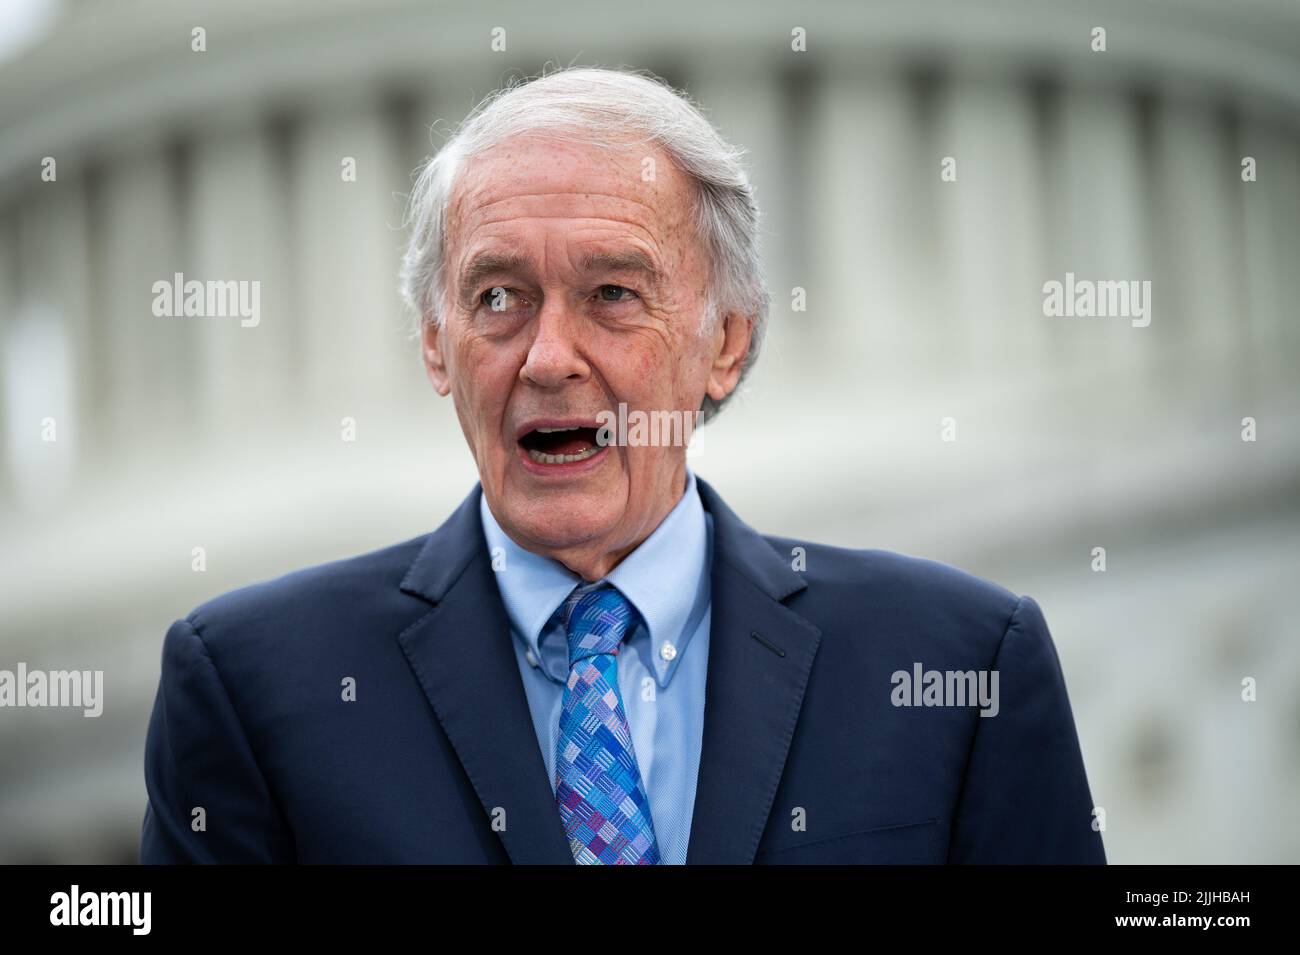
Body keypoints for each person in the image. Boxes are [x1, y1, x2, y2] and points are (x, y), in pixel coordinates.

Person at [140, 67, 1105, 864]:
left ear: (726, 341)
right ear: (436, 346)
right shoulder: (250, 690)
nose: (549, 356)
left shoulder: (958, 661)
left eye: (611, 292)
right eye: (498, 297)